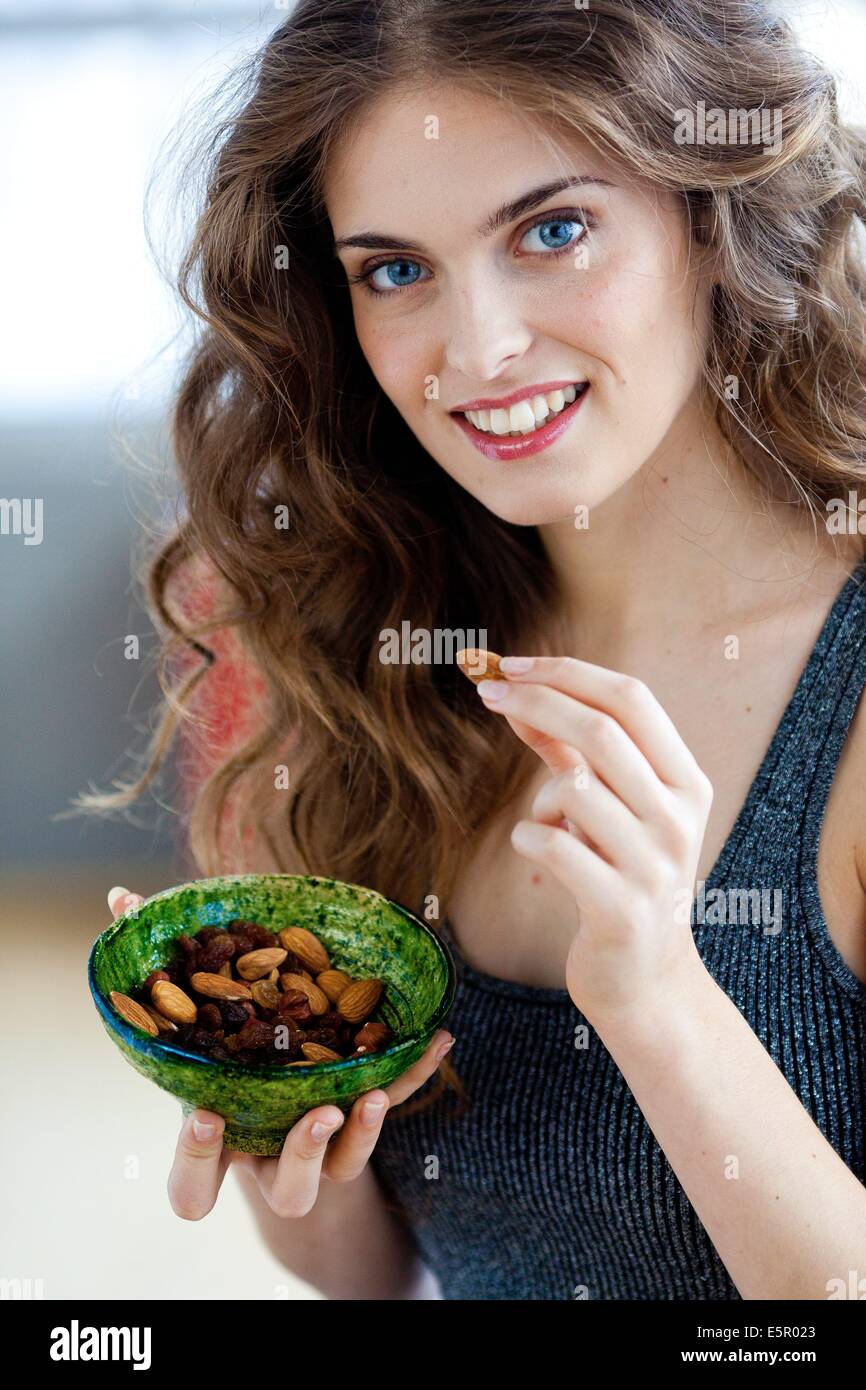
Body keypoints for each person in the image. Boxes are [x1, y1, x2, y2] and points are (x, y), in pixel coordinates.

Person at [98, 0, 866, 1299]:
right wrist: (285, 1126)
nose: (478, 350)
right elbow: (383, 1272)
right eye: (394, 269)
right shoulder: (366, 653)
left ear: (707, 214)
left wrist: (657, 996)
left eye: (552, 230)